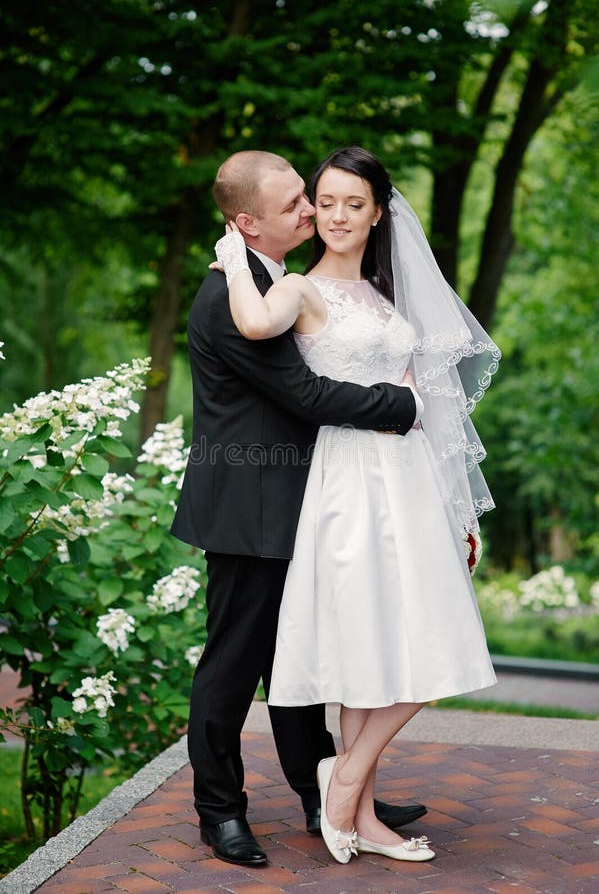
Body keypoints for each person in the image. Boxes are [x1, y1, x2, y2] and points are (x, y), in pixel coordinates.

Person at [215, 145, 501, 864]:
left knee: (421, 641)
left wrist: (455, 508)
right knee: (369, 648)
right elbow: (253, 324)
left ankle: (350, 799)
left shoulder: (385, 296)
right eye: (327, 201)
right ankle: (346, 788)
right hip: (347, 481)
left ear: (379, 212)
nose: (337, 216)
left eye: (353, 203)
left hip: (408, 480)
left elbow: (431, 406)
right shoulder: (301, 290)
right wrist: (229, 247)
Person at [171, 150, 428, 868]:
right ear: (248, 223)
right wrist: (403, 404)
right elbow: (307, 397)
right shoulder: (232, 292)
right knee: (232, 667)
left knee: (301, 657)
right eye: (295, 205)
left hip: (300, 499)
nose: (311, 212)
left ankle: (327, 799)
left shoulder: (273, 280)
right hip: (250, 506)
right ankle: (219, 812)